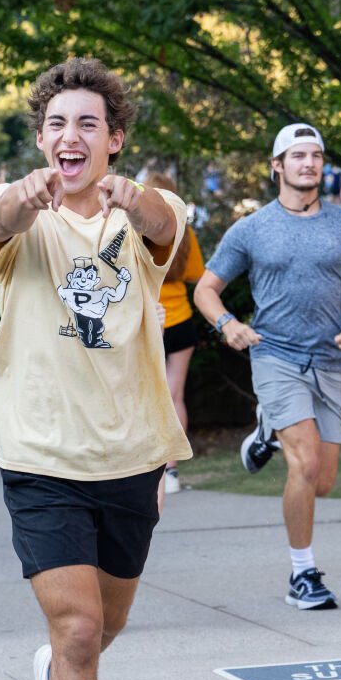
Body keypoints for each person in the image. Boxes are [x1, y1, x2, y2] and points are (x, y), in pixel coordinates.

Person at [0, 57, 189, 680]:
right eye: (56, 124)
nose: (70, 136)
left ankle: (53, 675)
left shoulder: (138, 217)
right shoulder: (18, 219)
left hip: (131, 453)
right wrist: (17, 198)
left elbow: (168, 228)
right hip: (39, 454)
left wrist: (142, 199)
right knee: (78, 630)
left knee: (104, 626)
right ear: (40, 139)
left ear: (114, 140)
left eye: (87, 124)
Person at [192, 122, 341, 611]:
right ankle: (303, 574)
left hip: (331, 360)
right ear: (277, 166)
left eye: (316, 156)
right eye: (298, 156)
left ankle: (265, 429)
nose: (309, 164)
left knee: (324, 480)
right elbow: (205, 290)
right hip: (276, 356)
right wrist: (227, 324)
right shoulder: (251, 229)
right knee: (305, 462)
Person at [142, 172, 204, 498]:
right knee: (174, 395)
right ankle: (173, 470)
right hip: (181, 320)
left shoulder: (134, 227)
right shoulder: (185, 232)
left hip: (145, 322)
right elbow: (196, 274)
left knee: (145, 397)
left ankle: (149, 466)